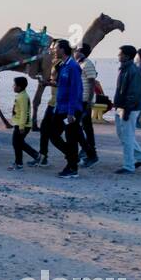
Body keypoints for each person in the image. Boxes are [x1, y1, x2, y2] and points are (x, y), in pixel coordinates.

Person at [112, 45, 141, 174]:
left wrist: (127, 110)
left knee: (127, 137)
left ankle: (128, 166)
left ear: (127, 56)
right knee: (122, 134)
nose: (118, 56)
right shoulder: (124, 69)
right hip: (121, 107)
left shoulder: (132, 71)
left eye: (120, 54)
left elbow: (133, 93)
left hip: (128, 108)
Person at [48, 39, 84, 178]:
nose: (54, 51)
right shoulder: (63, 65)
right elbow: (63, 85)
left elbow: (75, 90)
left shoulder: (73, 66)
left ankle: (72, 167)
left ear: (63, 49)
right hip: (61, 108)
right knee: (53, 135)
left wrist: (71, 112)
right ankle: (72, 158)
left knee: (71, 139)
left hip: (71, 109)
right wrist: (48, 83)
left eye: (56, 48)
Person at [75, 43, 99, 167]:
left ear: (81, 52)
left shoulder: (87, 64)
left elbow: (92, 83)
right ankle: (87, 150)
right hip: (80, 100)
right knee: (84, 127)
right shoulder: (80, 64)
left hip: (85, 101)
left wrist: (89, 102)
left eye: (76, 50)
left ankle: (90, 152)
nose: (74, 52)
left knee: (85, 127)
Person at [8, 76, 40, 169]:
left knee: (16, 143)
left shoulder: (22, 97)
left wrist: (21, 127)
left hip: (22, 125)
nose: (13, 86)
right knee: (19, 143)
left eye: (14, 85)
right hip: (20, 123)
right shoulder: (21, 95)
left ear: (19, 87)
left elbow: (24, 112)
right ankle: (36, 156)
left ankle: (19, 164)